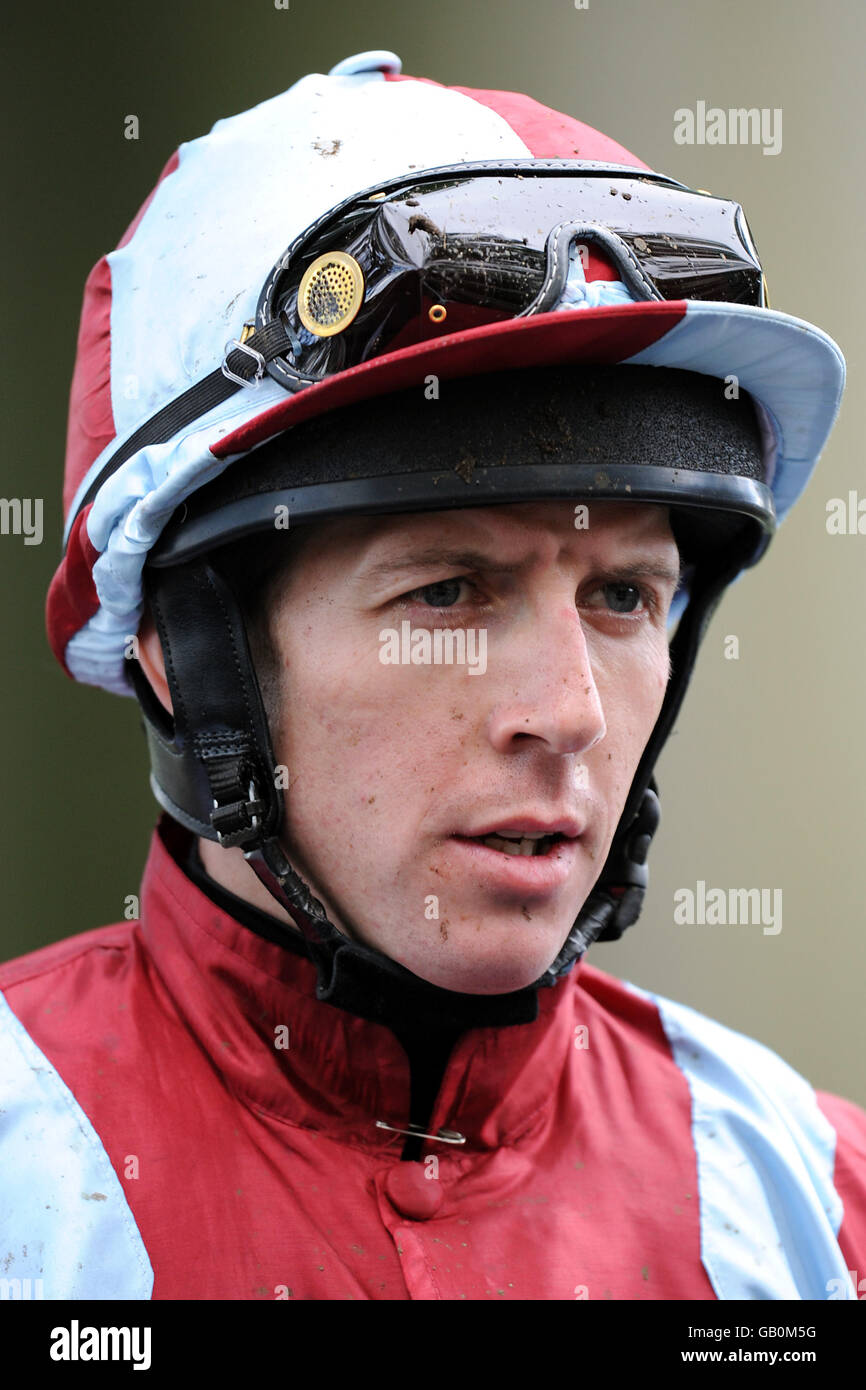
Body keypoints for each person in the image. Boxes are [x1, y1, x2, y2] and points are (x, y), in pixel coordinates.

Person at [2, 49, 863, 1302]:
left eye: (622, 595)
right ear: (183, 653)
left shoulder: (818, 1217)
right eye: (447, 593)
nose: (566, 714)